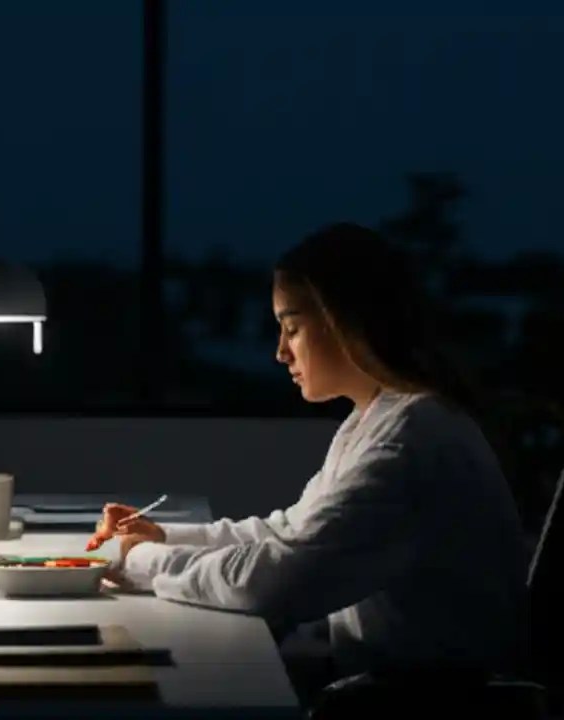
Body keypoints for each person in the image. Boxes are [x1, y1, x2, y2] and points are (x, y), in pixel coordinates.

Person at [88, 222, 529, 706]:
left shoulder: (408, 440)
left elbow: (285, 578)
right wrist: (165, 537)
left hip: (422, 703)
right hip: (386, 683)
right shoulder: (378, 418)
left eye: (292, 328)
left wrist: (141, 559)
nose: (280, 351)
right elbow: (290, 532)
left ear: (345, 322)